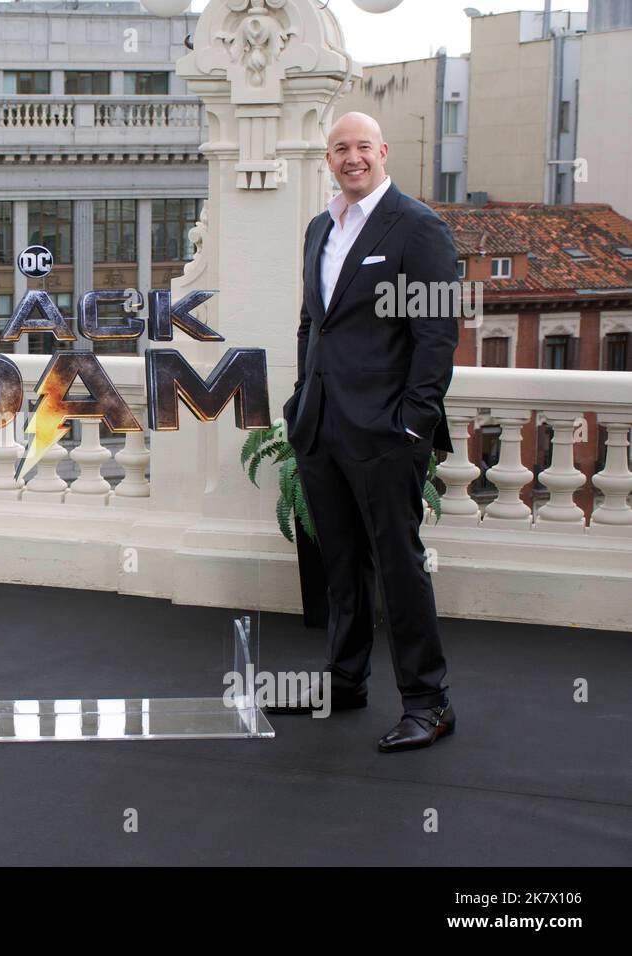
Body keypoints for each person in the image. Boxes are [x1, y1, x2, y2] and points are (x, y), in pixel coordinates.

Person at [272, 112, 460, 753]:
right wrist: (302, 400)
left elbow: (437, 336)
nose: (351, 157)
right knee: (340, 561)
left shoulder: (418, 228)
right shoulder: (320, 228)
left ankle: (428, 702)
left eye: (362, 147)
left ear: (383, 151)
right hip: (322, 426)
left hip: (386, 432)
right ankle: (345, 682)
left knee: (400, 564)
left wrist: (413, 426)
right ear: (329, 159)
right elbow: (310, 323)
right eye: (338, 149)